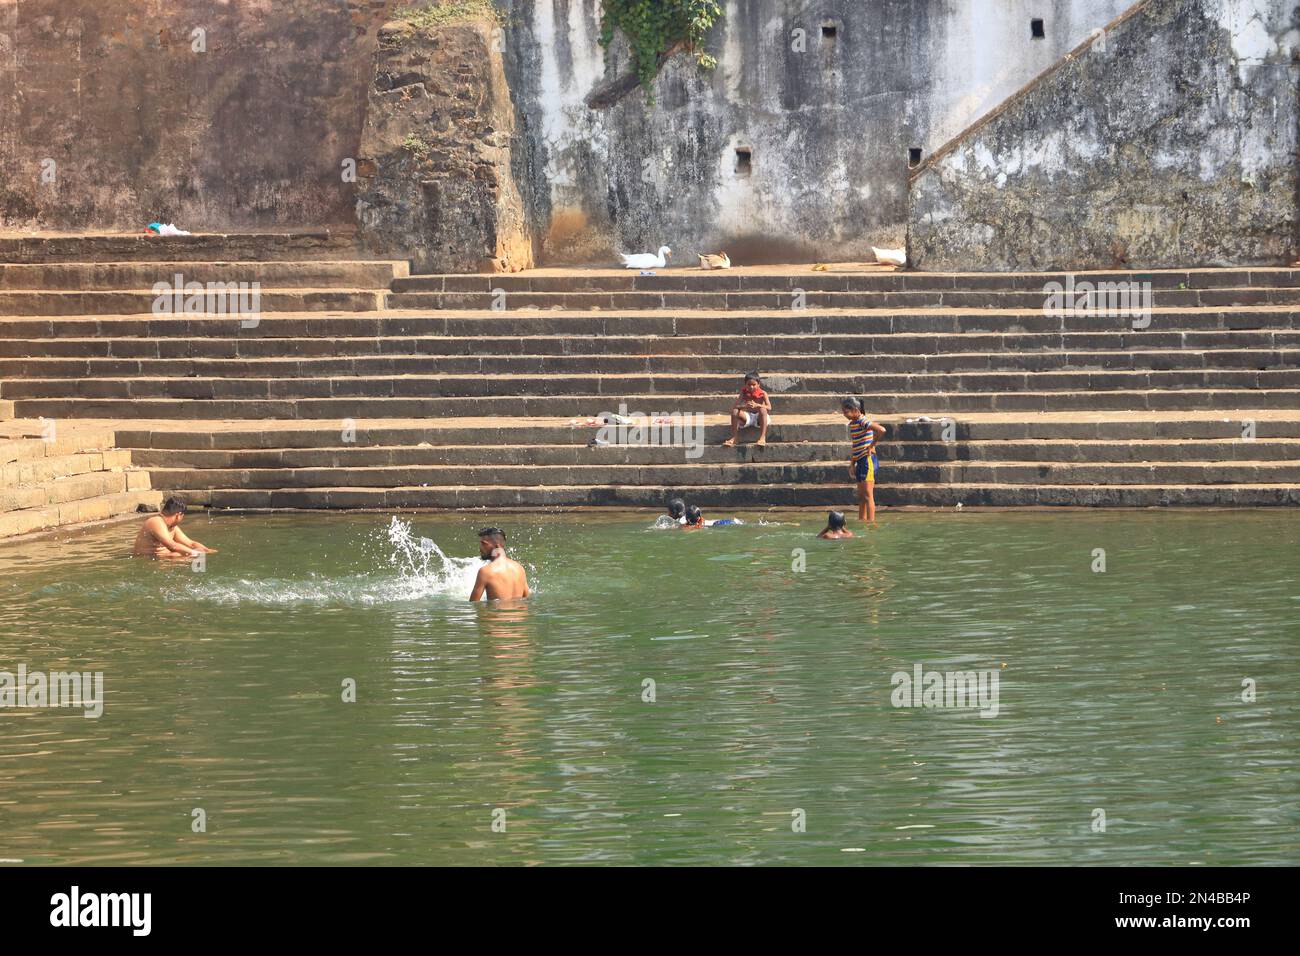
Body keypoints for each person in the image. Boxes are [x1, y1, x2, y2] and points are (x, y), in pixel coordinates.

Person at [841, 397, 887, 522]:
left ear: (855, 410)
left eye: (846, 412)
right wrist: (852, 464)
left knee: (867, 495)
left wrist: (872, 445)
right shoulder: (853, 424)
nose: (844, 415)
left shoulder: (863, 421)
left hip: (867, 460)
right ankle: (862, 521)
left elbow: (881, 430)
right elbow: (856, 445)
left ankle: (871, 524)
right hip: (859, 460)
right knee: (861, 496)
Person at [132, 496, 217, 559]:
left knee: (182, 554)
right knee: (181, 555)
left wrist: (207, 550)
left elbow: (191, 543)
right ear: (178, 515)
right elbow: (172, 545)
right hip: (147, 561)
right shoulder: (156, 521)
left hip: (162, 561)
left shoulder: (172, 527)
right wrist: (195, 553)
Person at [470, 527, 531, 601]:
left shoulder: (485, 572)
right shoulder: (519, 568)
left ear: (497, 545)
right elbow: (527, 599)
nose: (480, 547)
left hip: (497, 612)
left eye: (484, 544)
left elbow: (473, 604)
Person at [723, 372, 771, 447]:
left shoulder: (763, 393)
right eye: (749, 385)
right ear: (745, 384)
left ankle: (762, 437)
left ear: (759, 384)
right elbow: (735, 406)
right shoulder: (743, 392)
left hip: (759, 418)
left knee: (763, 409)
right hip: (748, 417)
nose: (751, 387)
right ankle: (734, 438)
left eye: (754, 385)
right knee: (735, 411)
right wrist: (745, 406)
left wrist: (757, 405)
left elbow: (769, 407)